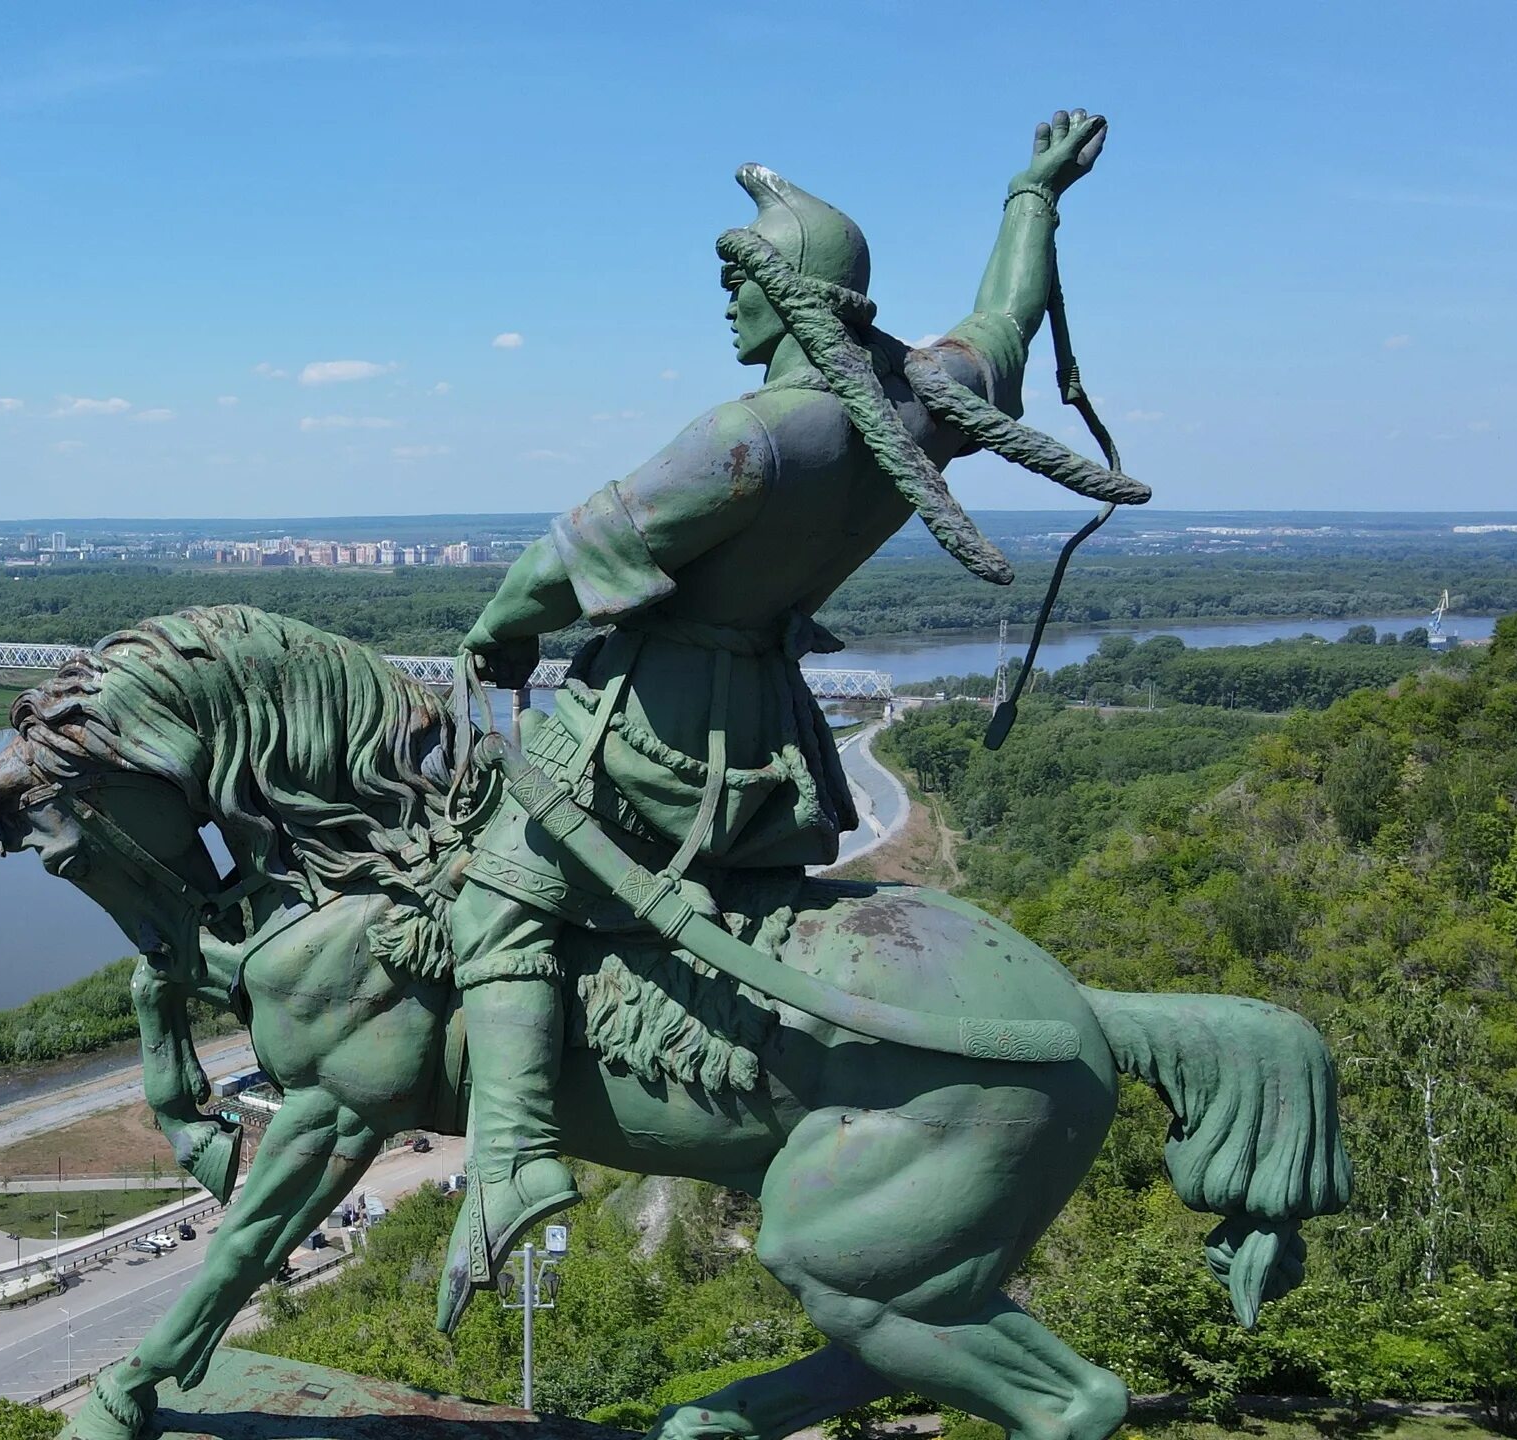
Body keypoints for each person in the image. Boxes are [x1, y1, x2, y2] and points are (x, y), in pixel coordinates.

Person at [439, 111, 1145, 1316]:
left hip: (645, 734)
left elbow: (566, 559)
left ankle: (508, 1158)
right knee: (741, 907)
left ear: (786, 292)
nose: (726, 308)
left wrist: (496, 634)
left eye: (736, 282)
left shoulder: (754, 436)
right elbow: (1006, 322)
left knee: (498, 899)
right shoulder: (916, 406)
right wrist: (1031, 197)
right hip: (774, 743)